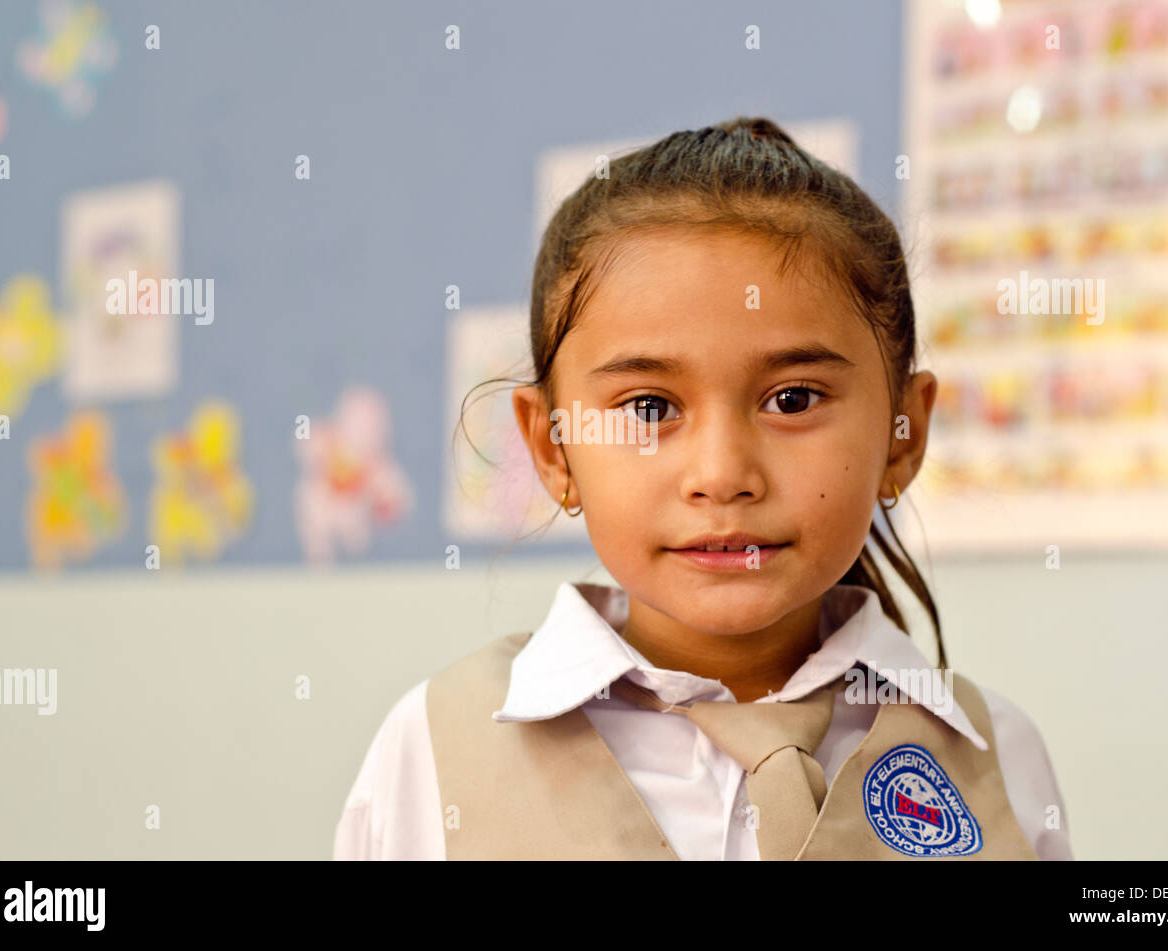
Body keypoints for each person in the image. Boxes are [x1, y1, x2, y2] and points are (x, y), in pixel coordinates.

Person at [333, 116, 1073, 860]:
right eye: (649, 408)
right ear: (553, 449)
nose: (722, 475)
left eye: (793, 399)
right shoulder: (432, 751)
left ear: (902, 433)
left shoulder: (1000, 763)